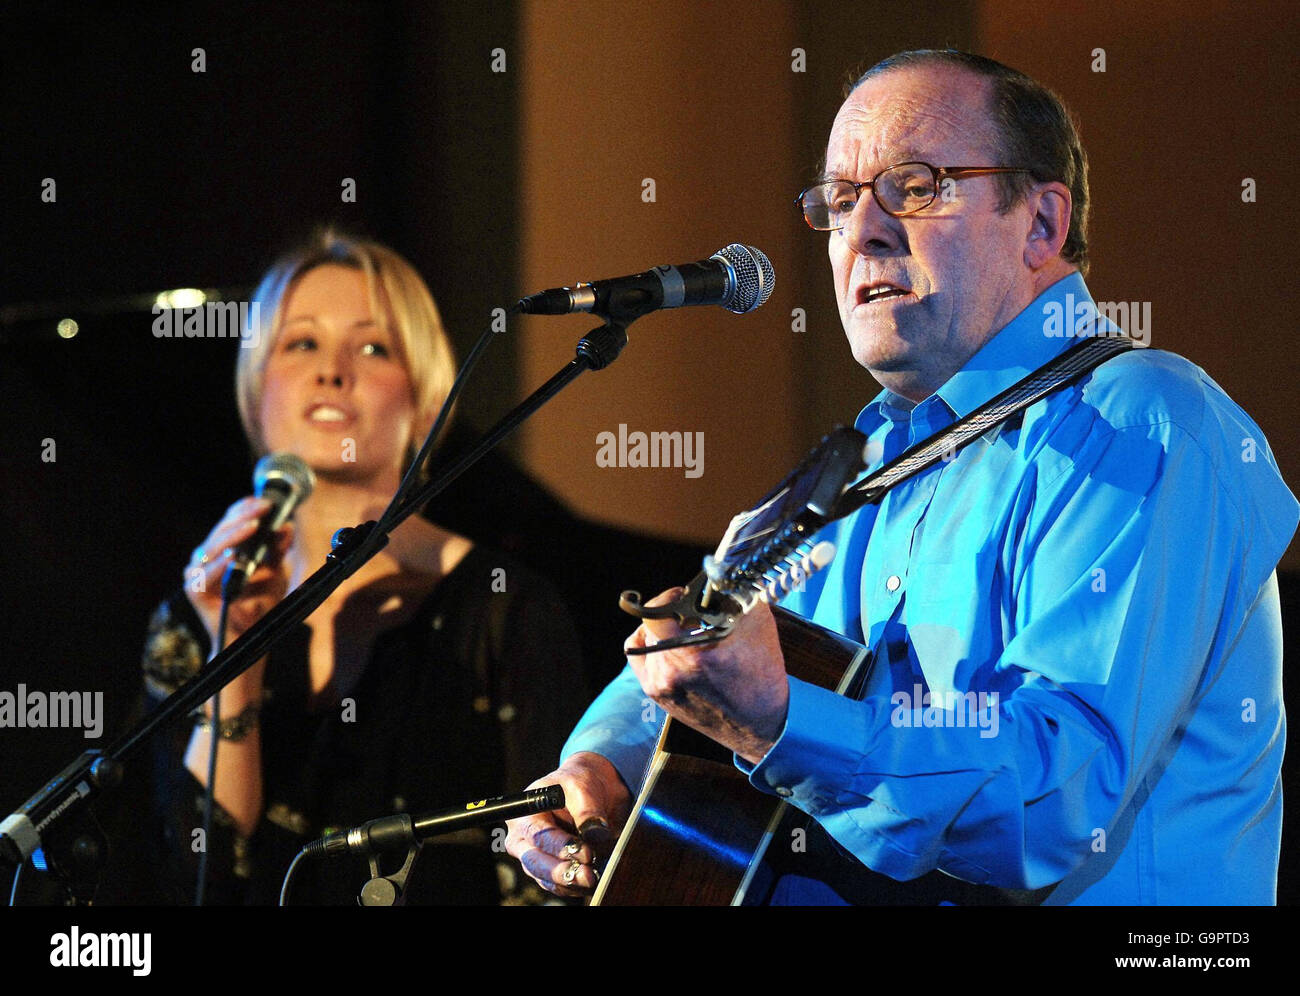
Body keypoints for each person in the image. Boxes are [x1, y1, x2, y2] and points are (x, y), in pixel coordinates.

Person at [504, 50, 1299, 905]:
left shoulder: (1142, 417)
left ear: (1041, 222)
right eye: (841, 200)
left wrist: (782, 720)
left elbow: (1061, 795)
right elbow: (686, 660)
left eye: (914, 187)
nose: (864, 229)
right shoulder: (844, 477)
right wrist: (595, 766)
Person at [142, 230, 586, 904]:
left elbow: (555, 877)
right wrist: (231, 655)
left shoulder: (508, 609)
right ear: (257, 390)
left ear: (426, 403)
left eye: (373, 347)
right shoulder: (195, 613)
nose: (332, 370)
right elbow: (206, 880)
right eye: (301, 343)